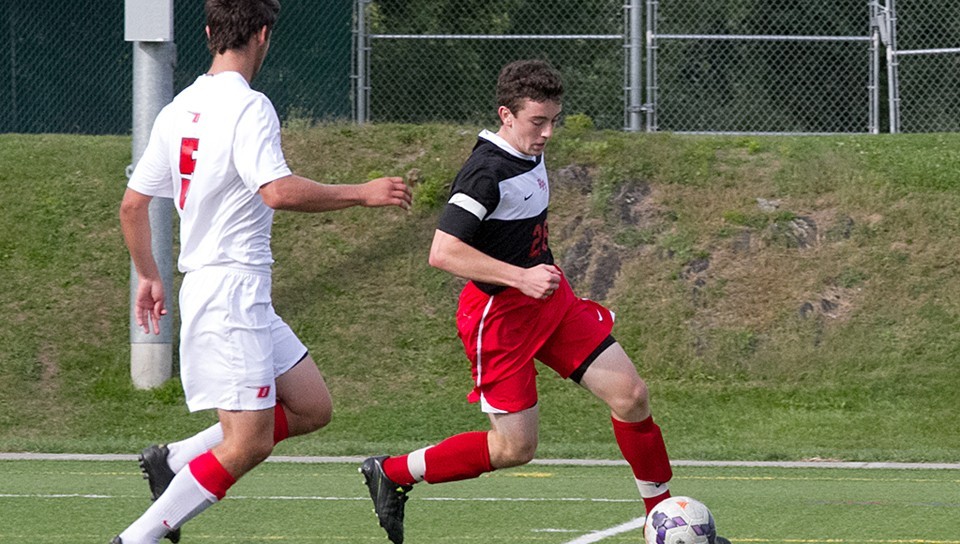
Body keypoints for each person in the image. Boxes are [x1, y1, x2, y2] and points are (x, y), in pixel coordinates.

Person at [113, 1, 411, 543]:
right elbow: (276, 190)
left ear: (209, 31)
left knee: (311, 406)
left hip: (228, 289)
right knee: (248, 442)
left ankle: (174, 461)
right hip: (231, 289)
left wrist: (148, 275)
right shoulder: (250, 106)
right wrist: (362, 193)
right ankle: (135, 539)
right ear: (264, 35)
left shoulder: (178, 107)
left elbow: (133, 206)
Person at [359, 59, 678, 544]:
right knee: (515, 449)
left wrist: (534, 276)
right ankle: (394, 472)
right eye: (537, 121)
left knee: (631, 395)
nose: (548, 133)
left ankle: (661, 521)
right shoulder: (484, 174)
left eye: (554, 120)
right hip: (499, 319)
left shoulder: (528, 150)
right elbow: (443, 252)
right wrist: (520, 277)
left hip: (551, 302)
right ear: (506, 115)